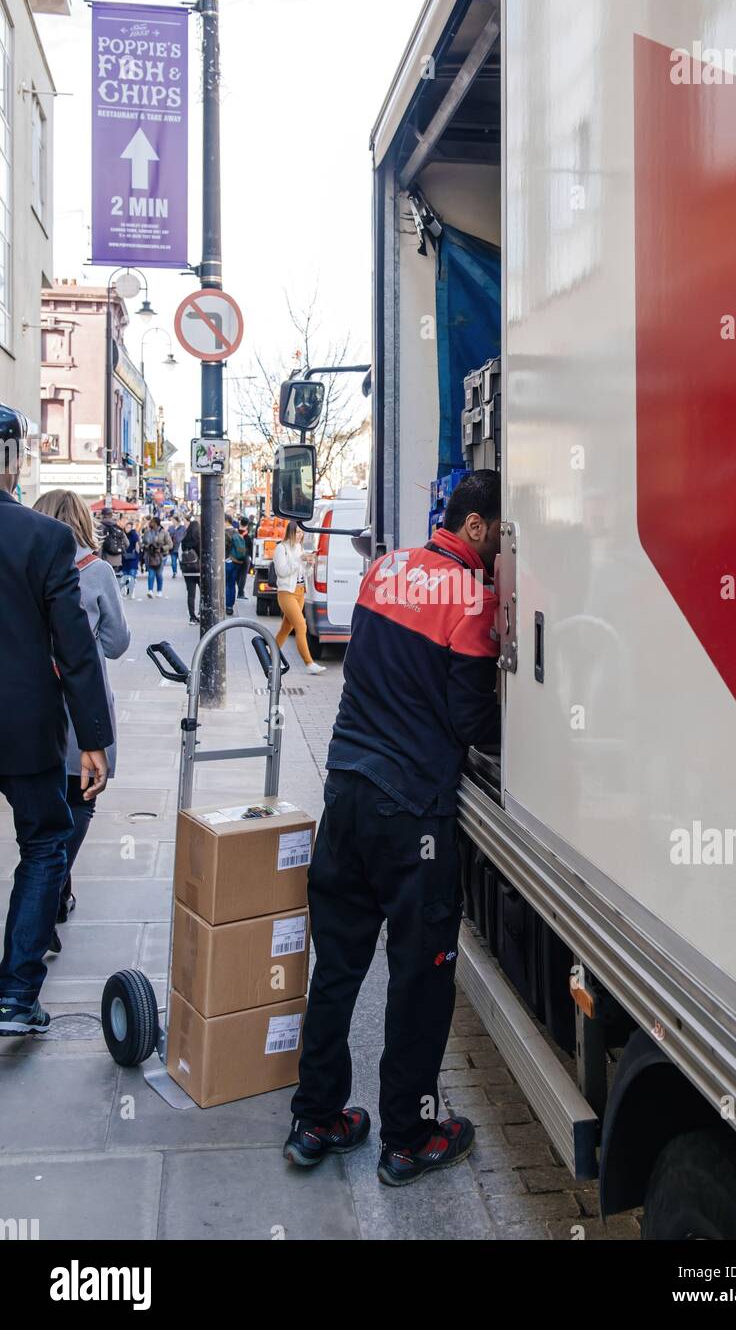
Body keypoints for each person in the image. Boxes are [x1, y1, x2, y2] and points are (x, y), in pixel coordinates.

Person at [284, 472, 501, 1183]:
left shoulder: (383, 569)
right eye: (499, 532)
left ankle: (317, 1120)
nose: (502, 548)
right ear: (475, 526)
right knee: (419, 980)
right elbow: (472, 723)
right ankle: (407, 1138)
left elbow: (374, 669)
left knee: (337, 970)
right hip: (413, 815)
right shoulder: (471, 597)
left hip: (345, 794)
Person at [0, 407, 112, 1036]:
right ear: (13, 460)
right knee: (44, 845)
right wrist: (93, 739)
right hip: (25, 728)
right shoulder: (44, 540)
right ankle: (15, 993)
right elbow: (76, 648)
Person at [33, 490, 131, 948]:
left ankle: (57, 891)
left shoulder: (20, 562)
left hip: (28, 710)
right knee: (80, 802)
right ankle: (47, 899)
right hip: (79, 711)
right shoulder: (95, 572)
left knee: (40, 812)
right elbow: (115, 643)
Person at [273, 522, 325, 675]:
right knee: (301, 626)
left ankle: (271, 655)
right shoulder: (281, 548)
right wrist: (299, 560)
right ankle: (309, 663)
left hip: (300, 592)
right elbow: (282, 572)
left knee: (286, 628)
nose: (300, 535)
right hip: (286, 593)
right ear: (290, 532)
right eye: (297, 532)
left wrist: (309, 564)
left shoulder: (299, 548)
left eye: (301, 532)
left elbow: (305, 574)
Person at [142, 516, 172, 598]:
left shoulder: (164, 532)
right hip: (149, 556)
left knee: (159, 574)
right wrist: (146, 546)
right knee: (151, 574)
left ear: (156, 523)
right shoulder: (147, 532)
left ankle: (159, 591)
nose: (150, 523)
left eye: (151, 522)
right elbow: (143, 543)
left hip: (161, 556)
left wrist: (161, 549)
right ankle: (150, 590)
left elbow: (170, 544)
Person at [224, 518, 248, 616]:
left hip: (228, 561)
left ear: (226, 522)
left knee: (226, 584)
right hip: (237, 562)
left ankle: (226, 605)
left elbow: (224, 547)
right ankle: (230, 606)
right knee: (232, 584)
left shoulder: (225, 533)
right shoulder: (236, 532)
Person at [181, 516, 202, 624]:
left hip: (187, 570)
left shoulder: (185, 540)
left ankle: (192, 617)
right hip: (198, 569)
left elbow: (183, 552)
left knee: (191, 594)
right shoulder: (199, 540)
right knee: (203, 592)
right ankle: (201, 612)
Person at [100, 507, 128, 578]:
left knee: (105, 580)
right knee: (115, 579)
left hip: (104, 559)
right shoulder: (117, 527)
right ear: (111, 515)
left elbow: (97, 544)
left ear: (103, 515)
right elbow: (127, 543)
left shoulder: (100, 526)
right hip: (117, 560)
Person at [120, 519, 141, 599]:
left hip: (133, 558)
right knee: (125, 575)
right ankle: (127, 589)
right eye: (127, 527)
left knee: (132, 574)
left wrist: (138, 558)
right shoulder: (122, 534)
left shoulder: (134, 535)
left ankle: (132, 591)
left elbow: (137, 546)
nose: (128, 528)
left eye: (129, 527)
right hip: (124, 558)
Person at [236, 518, 251, 600]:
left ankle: (240, 591)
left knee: (238, 575)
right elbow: (250, 547)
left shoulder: (236, 533)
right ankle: (240, 593)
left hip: (235, 557)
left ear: (240, 523)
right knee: (243, 575)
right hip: (245, 557)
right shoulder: (247, 535)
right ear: (247, 525)